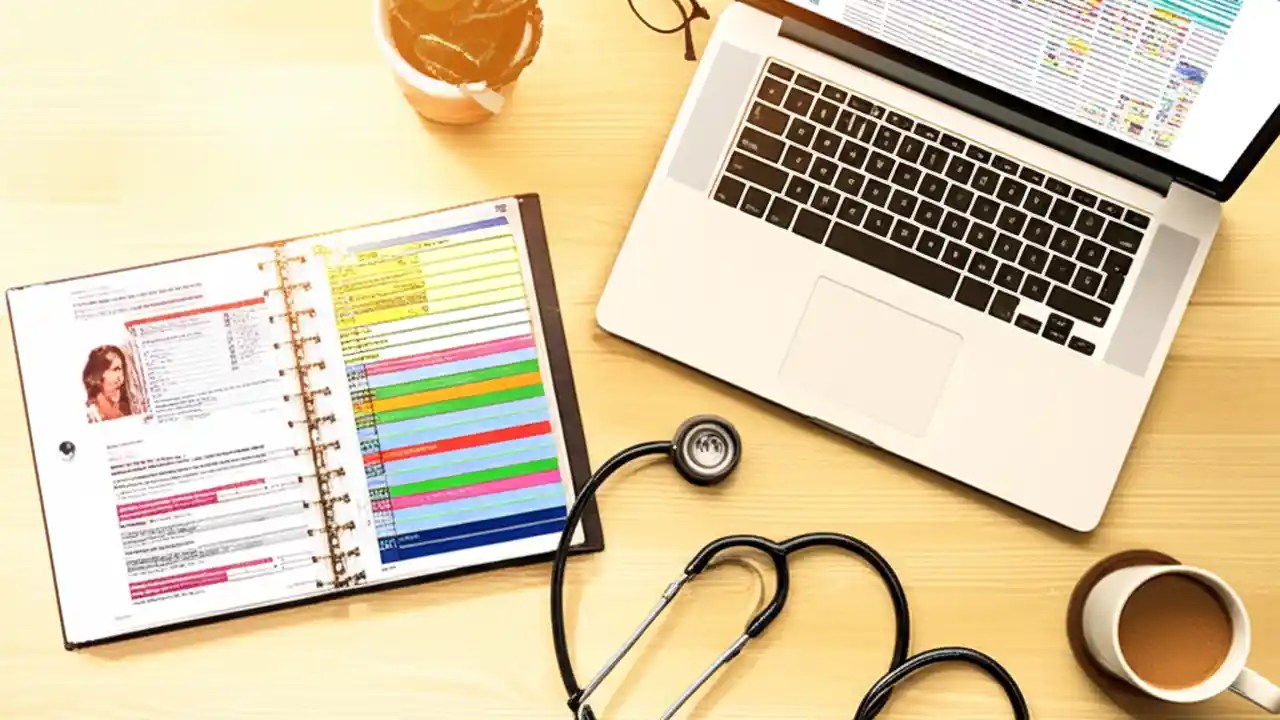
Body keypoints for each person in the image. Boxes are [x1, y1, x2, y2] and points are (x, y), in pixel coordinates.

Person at [82, 345, 134, 423]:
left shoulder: (125, 409)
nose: (121, 376)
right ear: (99, 374)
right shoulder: (91, 414)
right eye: (116, 369)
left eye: (122, 369)